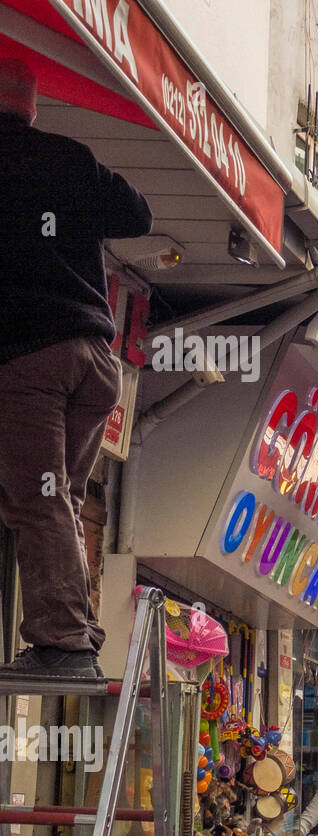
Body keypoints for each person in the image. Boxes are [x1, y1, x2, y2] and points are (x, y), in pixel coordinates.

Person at [0, 59, 152, 680]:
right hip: (96, 362)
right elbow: (138, 217)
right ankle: (77, 634)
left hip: (31, 359)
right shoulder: (69, 157)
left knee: (39, 502)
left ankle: (62, 646)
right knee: (56, 497)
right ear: (32, 107)